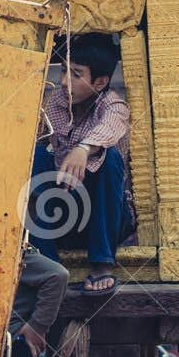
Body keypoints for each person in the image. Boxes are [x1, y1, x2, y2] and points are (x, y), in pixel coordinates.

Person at [34, 32, 134, 297]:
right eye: (64, 71)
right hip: (63, 213)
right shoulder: (55, 102)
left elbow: (113, 124)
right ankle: (48, 263)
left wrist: (83, 149)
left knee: (109, 157)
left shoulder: (112, 105)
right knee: (35, 156)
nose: (65, 81)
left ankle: (102, 265)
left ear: (100, 82)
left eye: (76, 74)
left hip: (104, 220)